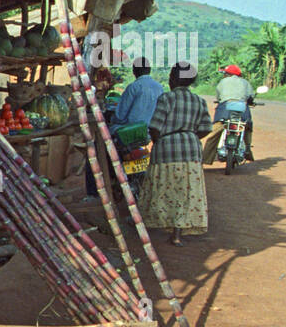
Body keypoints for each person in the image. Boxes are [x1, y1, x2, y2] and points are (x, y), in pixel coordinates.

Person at [141, 61, 213, 245]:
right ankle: (177, 234)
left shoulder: (166, 99)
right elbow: (206, 128)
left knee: (165, 189)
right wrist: (190, 135)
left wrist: (160, 141)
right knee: (185, 193)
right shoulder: (199, 101)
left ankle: (155, 224)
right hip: (191, 150)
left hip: (166, 149)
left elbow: (155, 127)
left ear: (173, 78)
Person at [85, 58, 162, 197]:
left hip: (128, 133)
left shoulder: (134, 87)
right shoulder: (159, 87)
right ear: (149, 70)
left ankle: (93, 193)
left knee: (95, 150)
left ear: (134, 71)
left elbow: (120, 115)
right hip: (148, 133)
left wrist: (112, 118)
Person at [202, 64, 256, 163]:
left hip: (224, 109)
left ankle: (206, 158)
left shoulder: (222, 82)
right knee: (247, 127)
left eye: (225, 73)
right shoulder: (245, 82)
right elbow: (250, 97)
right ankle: (248, 149)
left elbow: (218, 97)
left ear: (228, 74)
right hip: (242, 109)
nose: (224, 75)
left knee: (214, 133)